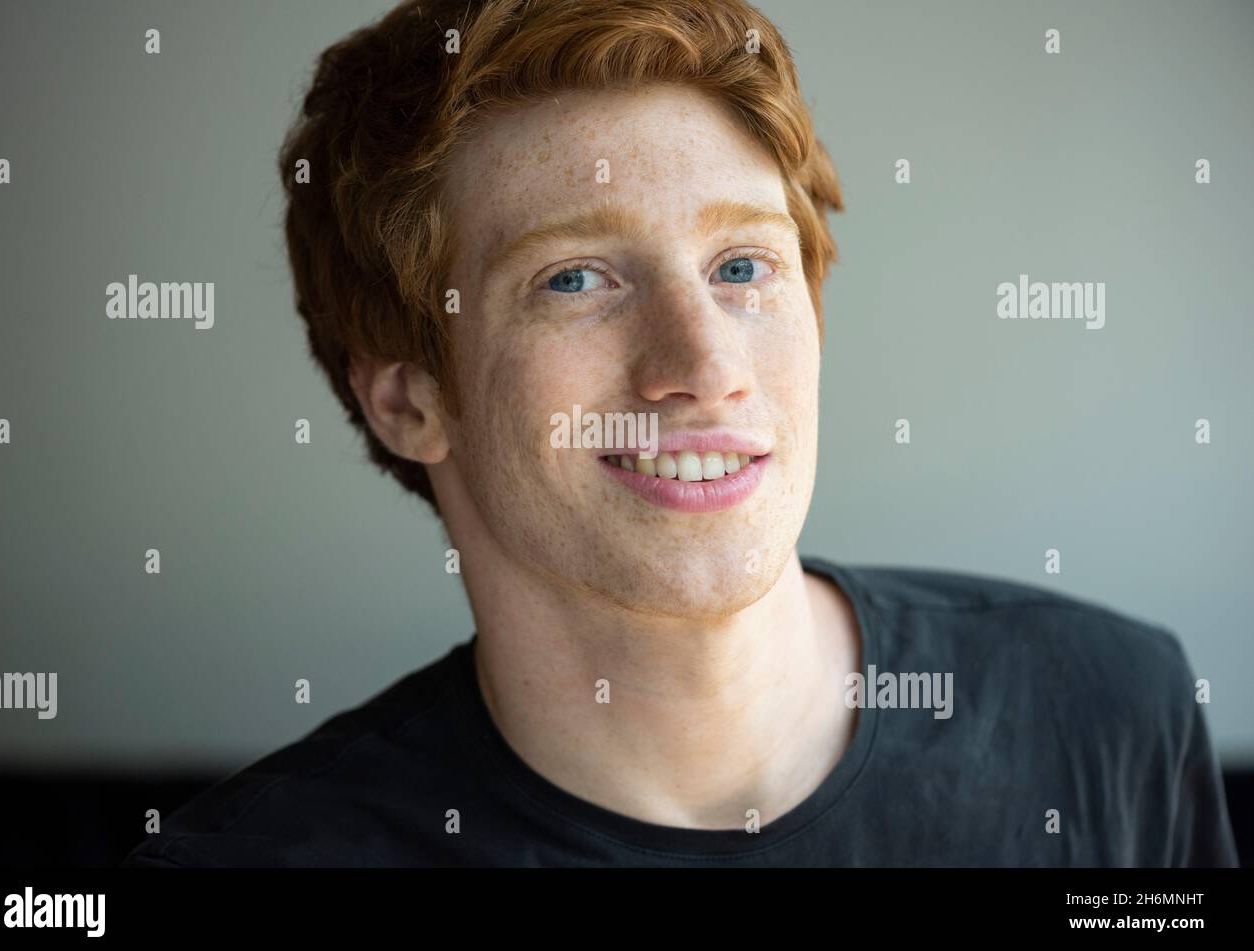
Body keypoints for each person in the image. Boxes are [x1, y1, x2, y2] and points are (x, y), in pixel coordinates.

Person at [123, 0, 1238, 866]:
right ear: (409, 398)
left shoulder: (1107, 709)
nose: (706, 369)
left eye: (742, 266)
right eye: (575, 279)